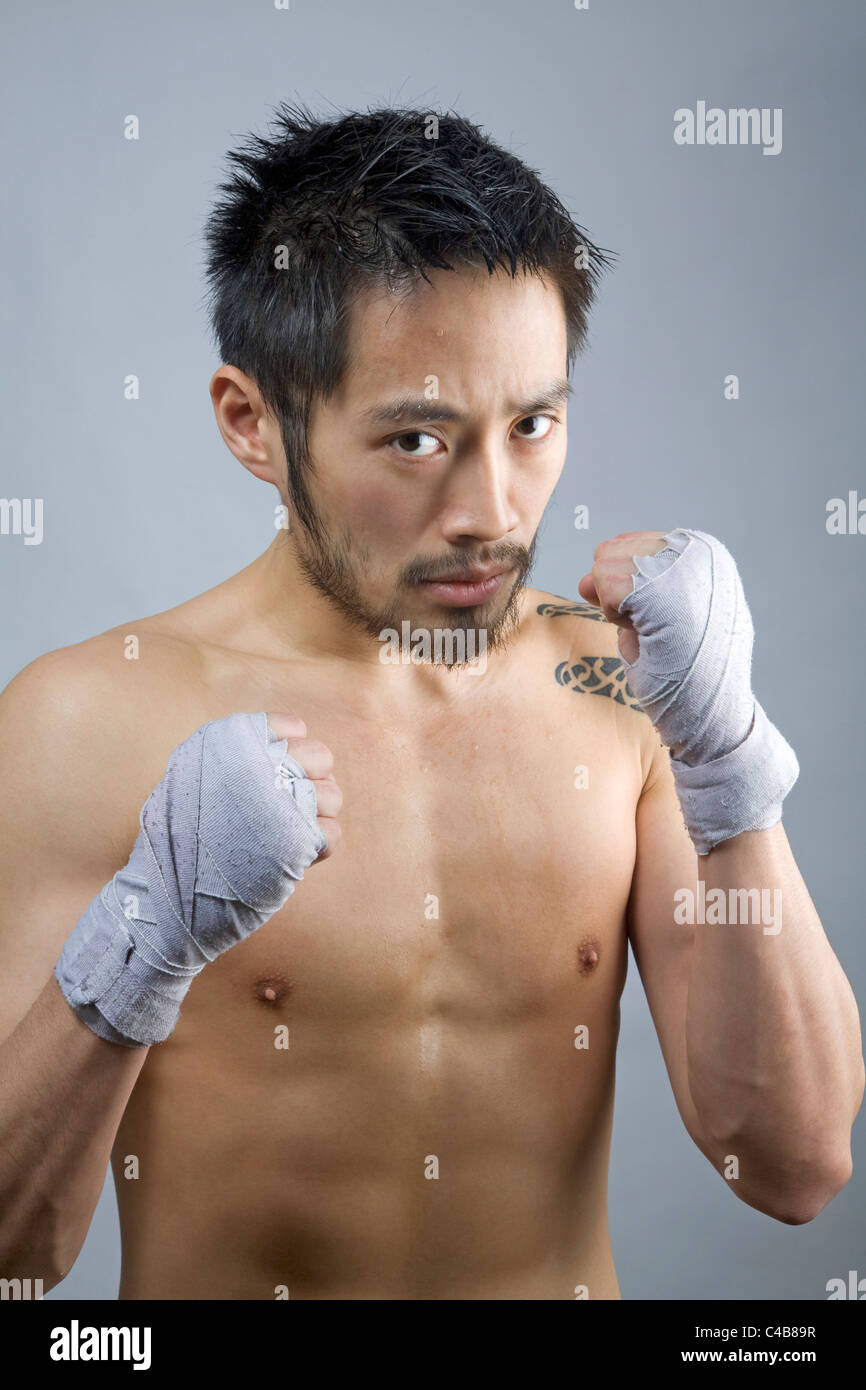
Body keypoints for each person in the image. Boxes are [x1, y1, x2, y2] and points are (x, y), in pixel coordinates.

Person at [0, 104, 862, 1302]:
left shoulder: (625, 689)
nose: (493, 512)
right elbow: (10, 1257)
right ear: (253, 423)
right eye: (415, 439)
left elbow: (793, 1164)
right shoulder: (86, 719)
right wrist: (139, 939)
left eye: (532, 424)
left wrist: (727, 761)